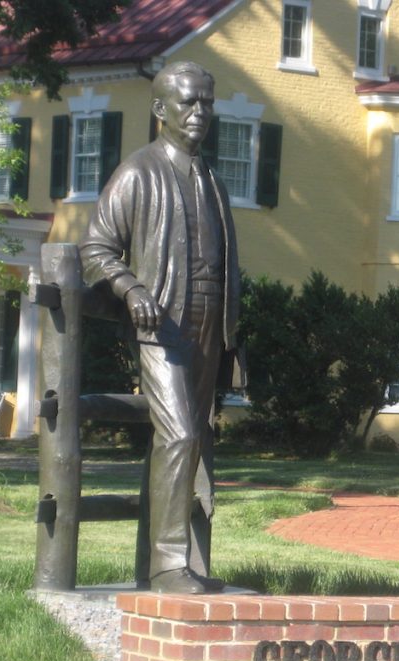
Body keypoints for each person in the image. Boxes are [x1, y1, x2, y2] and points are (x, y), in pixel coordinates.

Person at [80, 61, 239, 594]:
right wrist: (130, 288)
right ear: (160, 110)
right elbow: (96, 248)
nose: (200, 113)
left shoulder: (213, 180)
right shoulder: (139, 172)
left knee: (198, 442)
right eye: (189, 102)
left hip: (206, 325)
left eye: (208, 103)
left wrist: (229, 334)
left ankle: (189, 561)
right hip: (161, 326)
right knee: (180, 434)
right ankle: (168, 565)